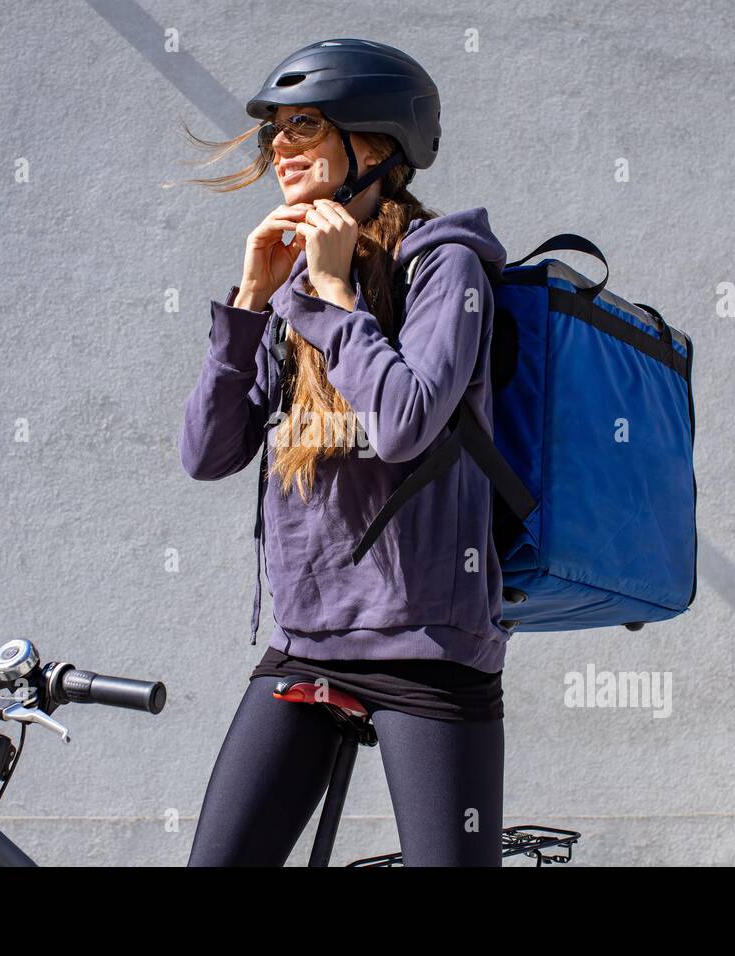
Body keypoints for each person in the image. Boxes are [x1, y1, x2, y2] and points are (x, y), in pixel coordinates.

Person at [178, 38, 512, 866]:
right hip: (306, 641)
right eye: (274, 134)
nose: (280, 149)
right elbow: (206, 454)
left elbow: (405, 423)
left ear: (374, 145)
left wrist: (331, 297)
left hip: (427, 648)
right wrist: (255, 300)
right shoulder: (289, 288)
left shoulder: (447, 266)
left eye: (303, 127)